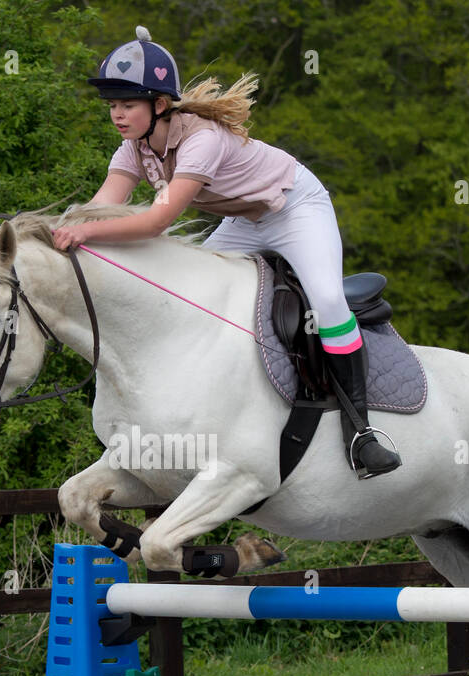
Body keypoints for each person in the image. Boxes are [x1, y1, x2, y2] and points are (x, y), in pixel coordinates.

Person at [52, 26, 401, 478]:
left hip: (295, 208)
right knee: (186, 294)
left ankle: (362, 434)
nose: (117, 114)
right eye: (113, 105)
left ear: (159, 105)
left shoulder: (202, 139)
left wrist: (86, 234)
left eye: (128, 104)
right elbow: (99, 209)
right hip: (244, 221)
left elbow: (159, 220)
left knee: (329, 302)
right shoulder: (134, 149)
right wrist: (53, 234)